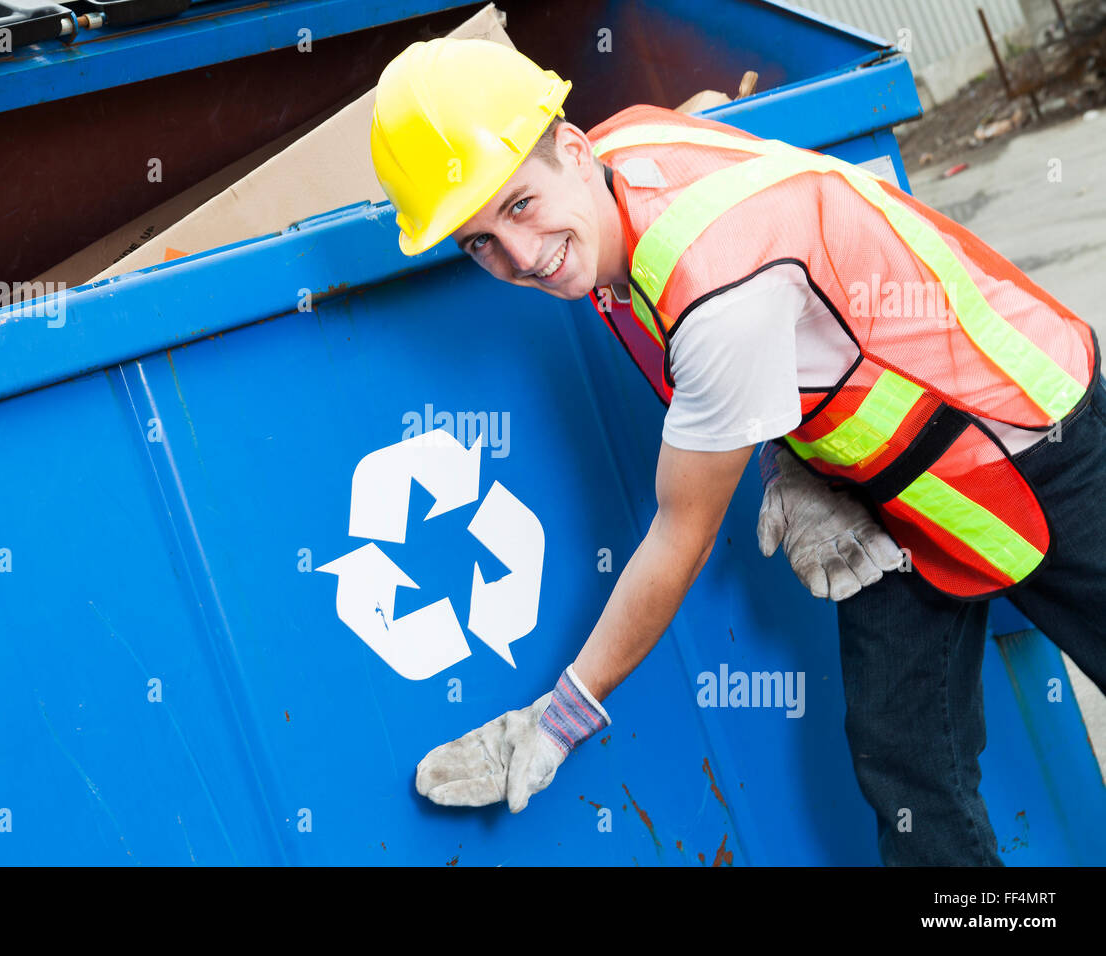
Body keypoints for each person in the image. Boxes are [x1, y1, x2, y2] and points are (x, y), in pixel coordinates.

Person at [368, 37, 1106, 865]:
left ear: (573, 153)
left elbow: (679, 539)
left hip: (1028, 434)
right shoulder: (622, 154)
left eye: (519, 207)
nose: (520, 256)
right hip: (891, 496)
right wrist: (793, 456)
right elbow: (714, 129)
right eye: (478, 243)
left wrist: (559, 719)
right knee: (906, 760)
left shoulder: (718, 295)